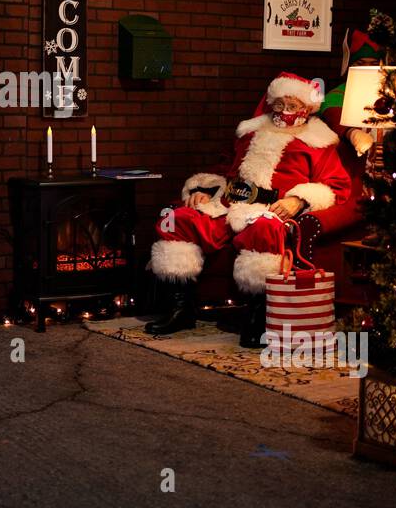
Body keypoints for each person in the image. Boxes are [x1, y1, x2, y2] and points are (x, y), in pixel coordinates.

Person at [146, 71, 353, 337]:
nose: (284, 111)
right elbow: (224, 167)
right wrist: (203, 190)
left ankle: (260, 316)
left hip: (271, 209)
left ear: (307, 108)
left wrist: (299, 199)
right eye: (279, 104)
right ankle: (181, 309)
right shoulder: (250, 131)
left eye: (292, 106)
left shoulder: (319, 142)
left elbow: (335, 186)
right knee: (179, 219)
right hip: (228, 203)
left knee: (264, 231)